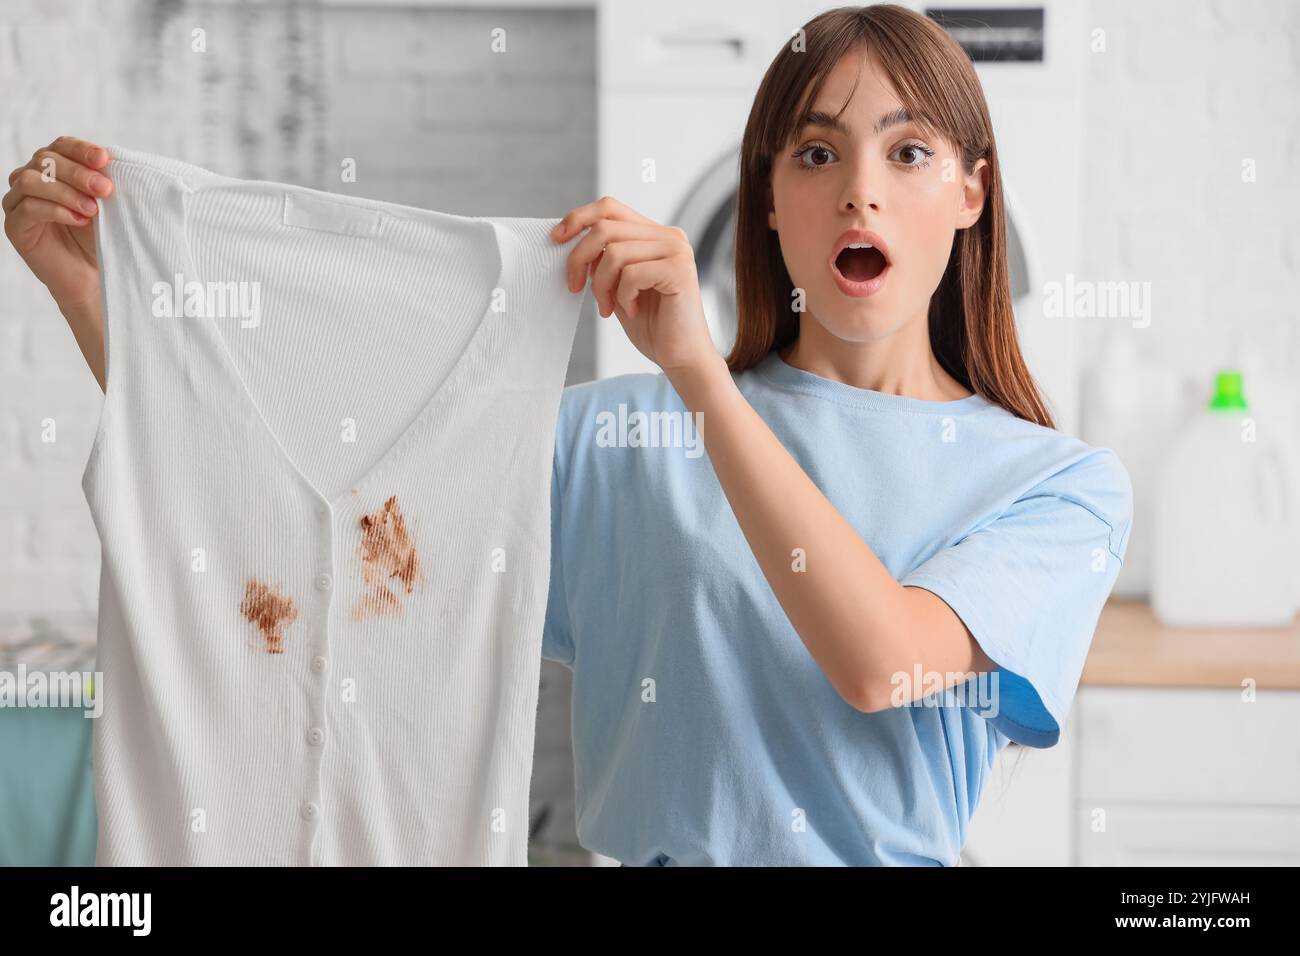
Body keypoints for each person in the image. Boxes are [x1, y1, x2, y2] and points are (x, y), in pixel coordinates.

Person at [4, 4, 1131, 866]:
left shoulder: (1058, 486)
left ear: (973, 194)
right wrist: (100, 307)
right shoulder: (613, 437)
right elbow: (307, 519)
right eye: (816, 153)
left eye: (909, 152)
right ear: (770, 198)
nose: (859, 195)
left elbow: (883, 663)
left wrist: (697, 373)